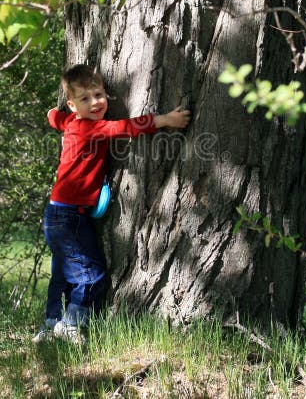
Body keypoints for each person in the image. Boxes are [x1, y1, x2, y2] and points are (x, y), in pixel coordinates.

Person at [33, 64, 191, 344]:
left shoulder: (69, 121)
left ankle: (50, 324)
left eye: (98, 94)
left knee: (62, 272)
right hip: (70, 216)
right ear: (73, 105)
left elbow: (54, 117)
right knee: (90, 274)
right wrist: (165, 120)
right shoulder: (90, 128)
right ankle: (71, 324)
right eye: (85, 99)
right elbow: (126, 127)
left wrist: (51, 114)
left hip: (56, 212)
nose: (95, 103)